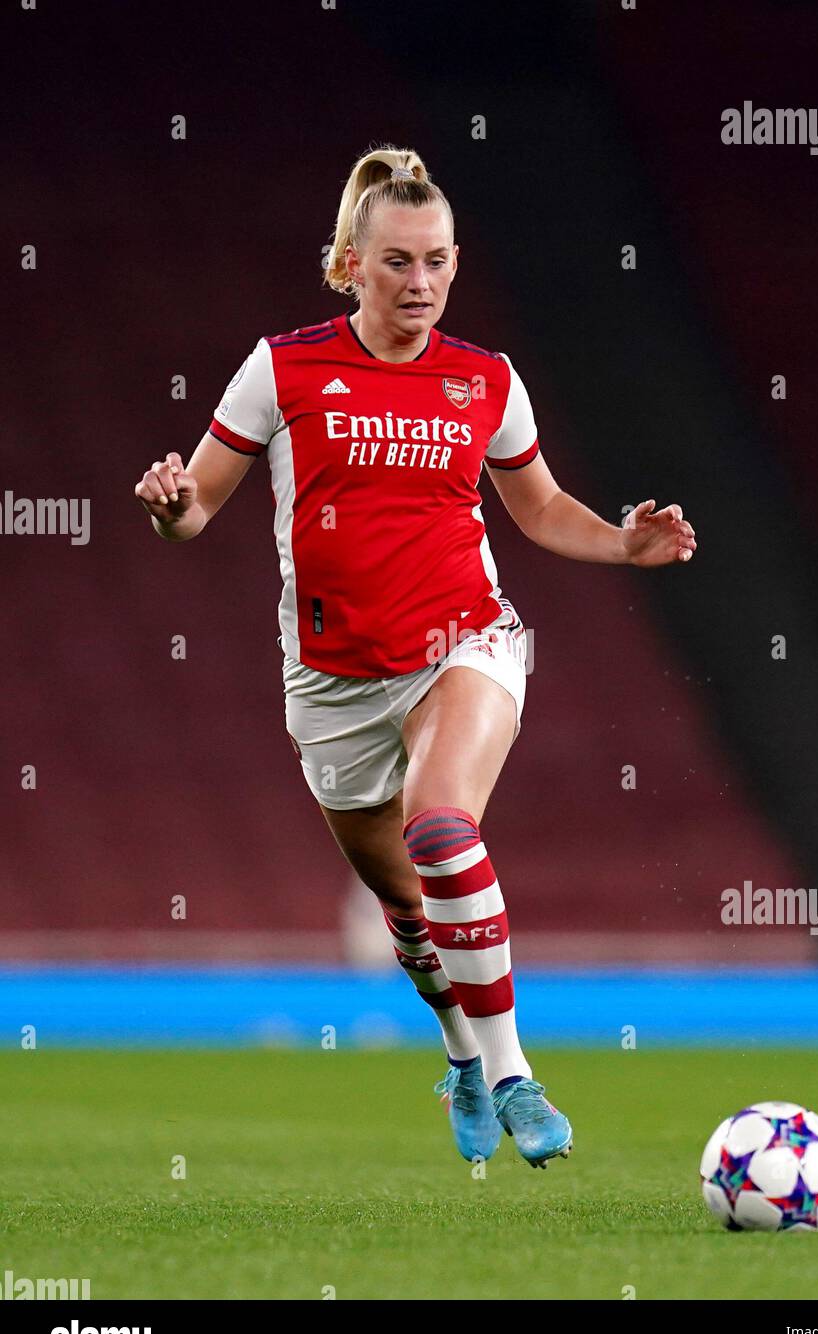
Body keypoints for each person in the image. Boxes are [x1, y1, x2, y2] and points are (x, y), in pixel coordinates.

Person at [135, 144, 697, 1169]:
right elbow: (198, 506)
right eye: (397, 261)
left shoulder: (486, 380)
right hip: (333, 683)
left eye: (437, 259)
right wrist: (173, 507)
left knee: (442, 827)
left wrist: (620, 540)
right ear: (348, 264)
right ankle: (463, 1058)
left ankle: (516, 1071)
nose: (422, 282)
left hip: (463, 643)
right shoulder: (284, 368)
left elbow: (537, 508)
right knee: (407, 910)